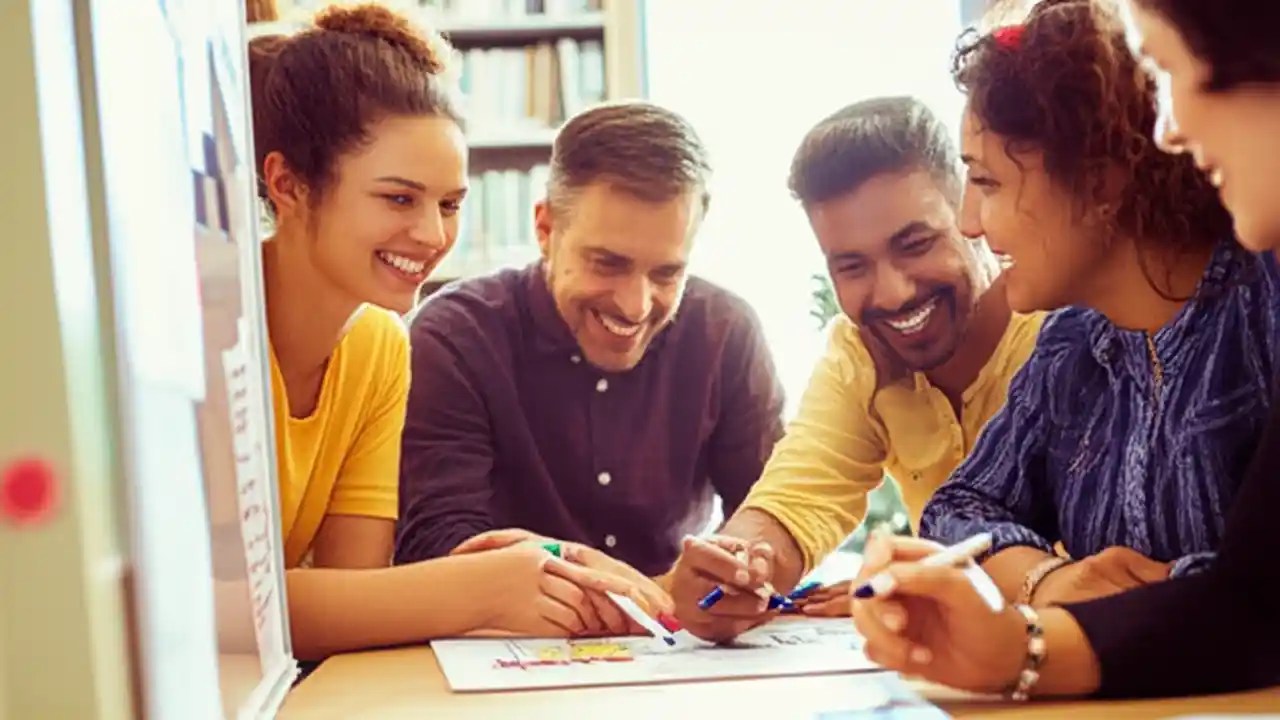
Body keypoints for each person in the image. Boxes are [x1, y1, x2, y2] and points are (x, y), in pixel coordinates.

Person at [850, 0, 1280, 699]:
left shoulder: (1261, 297)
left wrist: (1084, 619)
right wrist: (1052, 580)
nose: (967, 221)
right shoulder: (1072, 343)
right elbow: (960, 505)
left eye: (986, 181)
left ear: (1103, 179)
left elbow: (1255, 598)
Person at [249, 4, 664, 660]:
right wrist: (482, 589)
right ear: (288, 183)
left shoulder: (381, 344)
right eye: (398, 198)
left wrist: (523, 562)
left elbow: (353, 598)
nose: (433, 235)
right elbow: (224, 608)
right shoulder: (211, 323)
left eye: (449, 204)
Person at [666, 97, 1045, 638]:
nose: (892, 292)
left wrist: (931, 583)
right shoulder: (860, 352)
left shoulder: (1063, 328)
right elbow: (795, 501)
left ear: (972, 214)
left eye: (915, 244)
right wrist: (737, 569)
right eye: (852, 266)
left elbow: (1108, 564)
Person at [393, 101, 786, 580]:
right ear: (545, 228)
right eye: (608, 263)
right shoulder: (454, 337)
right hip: (504, 638)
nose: (636, 305)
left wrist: (740, 574)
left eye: (667, 273)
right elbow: (438, 549)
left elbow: (774, 512)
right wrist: (617, 583)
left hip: (684, 641)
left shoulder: (726, 333)